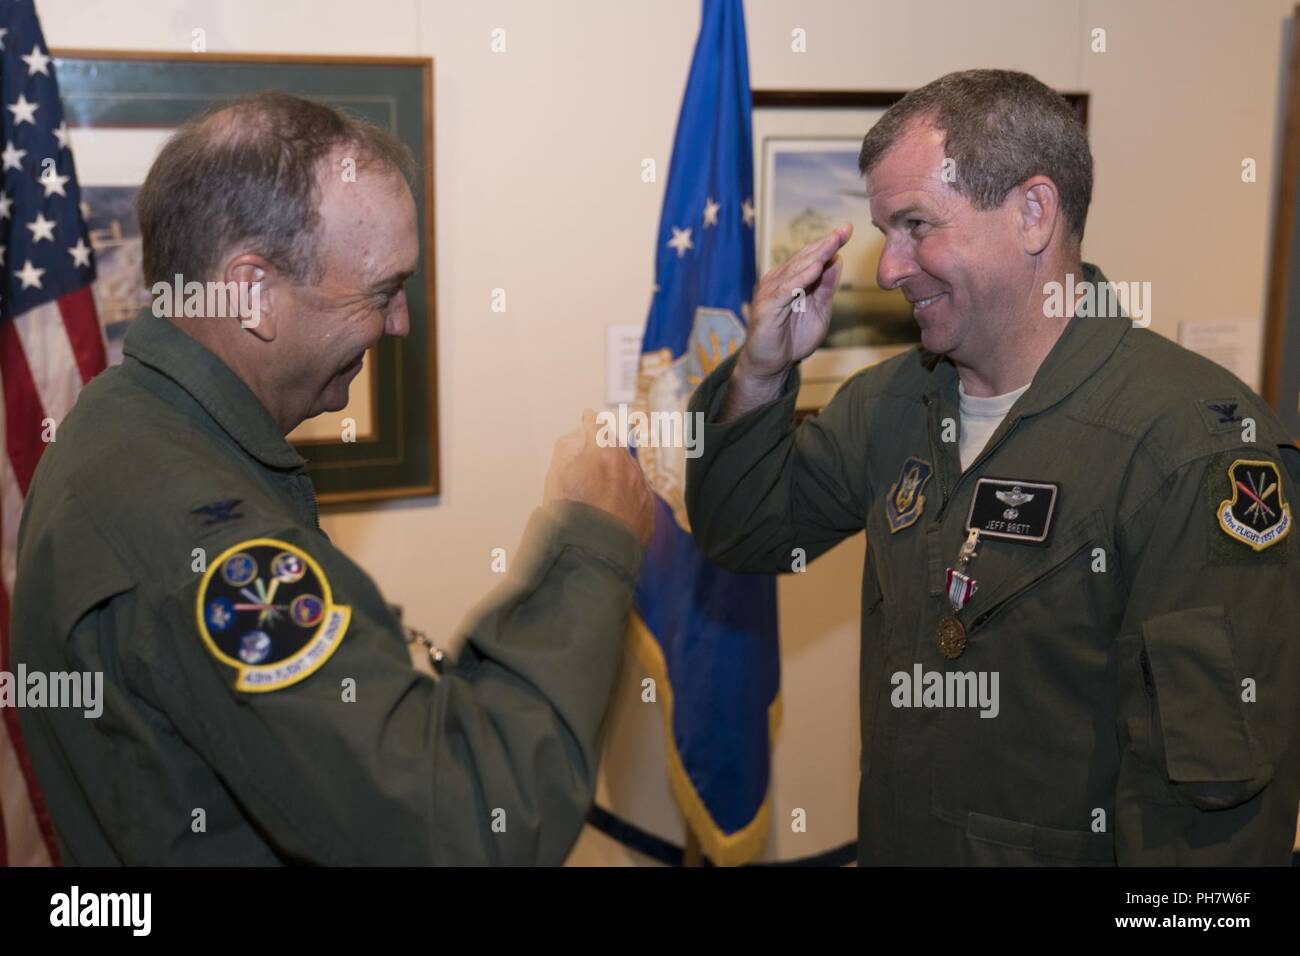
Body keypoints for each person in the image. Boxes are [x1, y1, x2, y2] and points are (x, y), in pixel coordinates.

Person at [12, 92, 654, 865]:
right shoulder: (209, 548)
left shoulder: (124, 421)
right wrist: (590, 545)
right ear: (250, 292)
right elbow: (472, 824)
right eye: (382, 291)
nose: (398, 324)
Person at [686, 69, 1300, 864]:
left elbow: (1209, 816)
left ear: (1033, 214)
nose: (889, 269)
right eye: (885, 232)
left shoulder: (1192, 447)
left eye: (915, 225)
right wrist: (760, 376)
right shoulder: (893, 405)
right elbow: (746, 533)